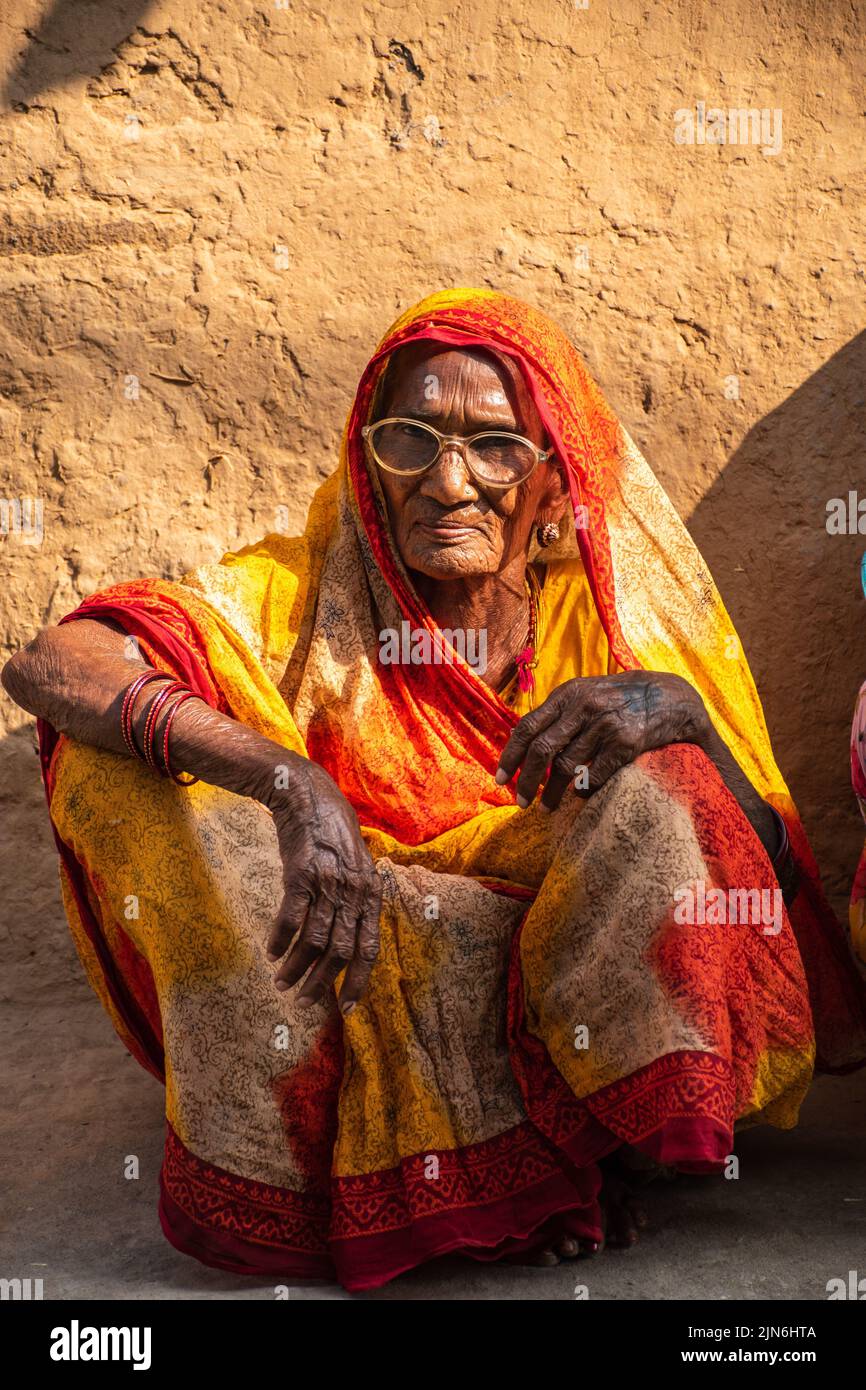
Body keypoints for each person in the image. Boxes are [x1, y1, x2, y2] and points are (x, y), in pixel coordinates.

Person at [5, 288, 866, 1293]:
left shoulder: (612, 625)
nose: (447, 481)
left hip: (537, 967)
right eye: (409, 437)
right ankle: (310, 1179)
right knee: (120, 773)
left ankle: (574, 1151)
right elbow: (53, 663)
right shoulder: (302, 594)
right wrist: (289, 783)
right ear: (366, 459)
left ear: (554, 485)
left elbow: (761, 879)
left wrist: (681, 717)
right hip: (338, 956)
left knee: (670, 782)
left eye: (495, 445)